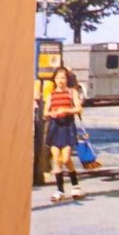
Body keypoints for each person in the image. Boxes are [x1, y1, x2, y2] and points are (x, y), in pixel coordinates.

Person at [44, 66, 84, 202]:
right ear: (54, 79)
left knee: (66, 159)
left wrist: (66, 110)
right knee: (56, 159)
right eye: (58, 78)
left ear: (67, 79)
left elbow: (78, 109)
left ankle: (75, 185)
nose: (60, 80)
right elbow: (45, 112)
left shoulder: (72, 92)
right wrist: (51, 113)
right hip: (55, 127)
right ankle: (60, 190)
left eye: (63, 77)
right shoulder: (51, 94)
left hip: (67, 127)